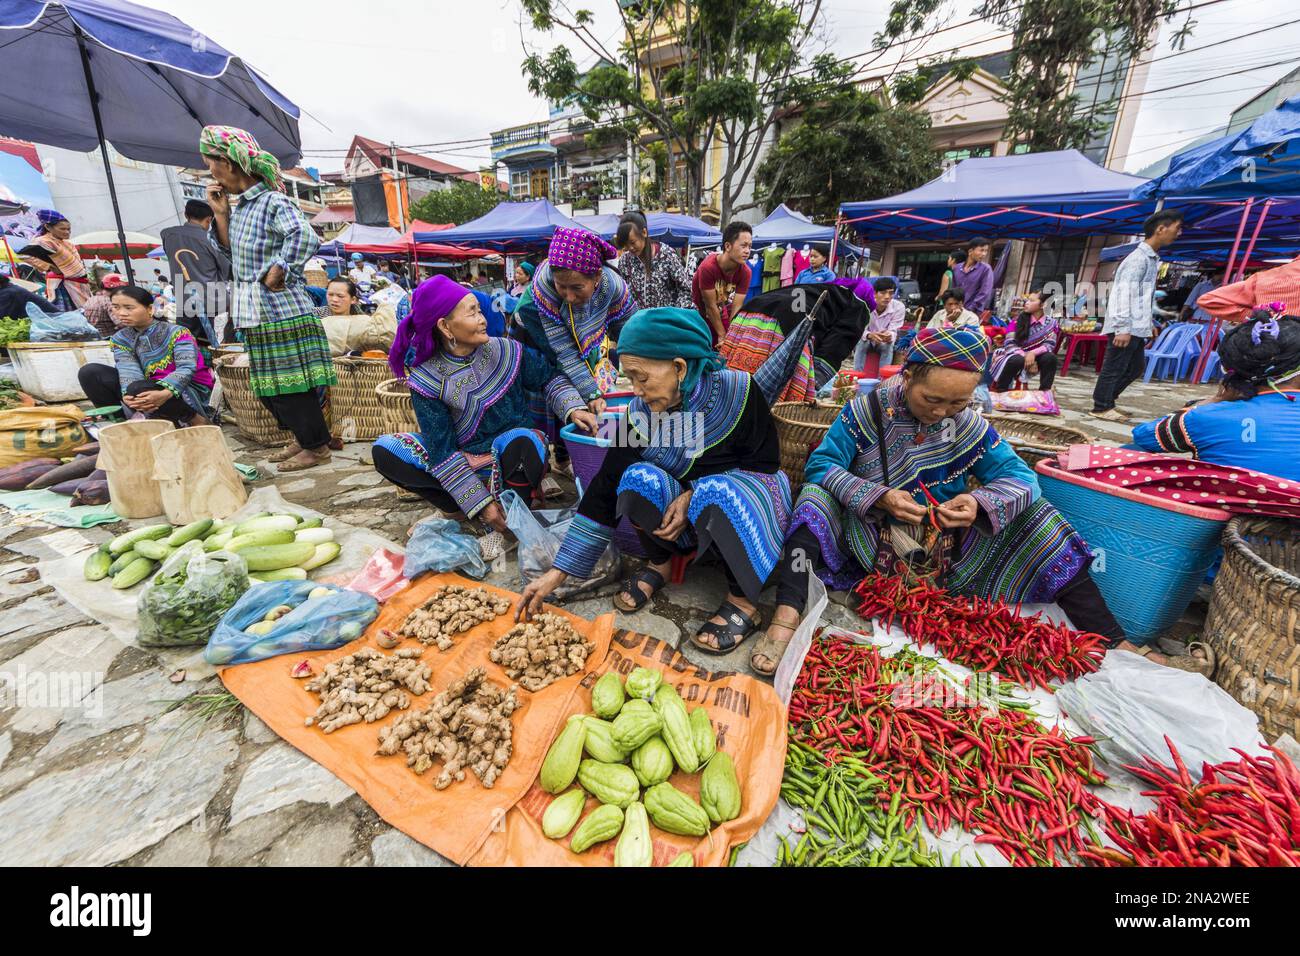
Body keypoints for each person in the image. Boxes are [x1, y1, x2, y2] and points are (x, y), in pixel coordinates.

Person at [750, 327, 1133, 675]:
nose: (940, 412)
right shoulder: (867, 412)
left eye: (956, 403)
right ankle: (786, 614)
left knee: (1038, 514)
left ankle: (1110, 635)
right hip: (871, 541)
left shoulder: (969, 425)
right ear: (907, 375)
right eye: (931, 399)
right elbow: (823, 464)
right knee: (814, 498)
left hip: (945, 551)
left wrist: (978, 504)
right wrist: (879, 497)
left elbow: (1021, 478)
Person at [515, 307, 792, 653]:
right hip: (685, 520)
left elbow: (764, 465)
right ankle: (660, 563)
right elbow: (604, 487)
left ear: (679, 367)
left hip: (742, 503)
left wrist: (693, 493)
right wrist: (558, 572)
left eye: (641, 378)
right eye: (629, 379)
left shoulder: (740, 391)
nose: (636, 390)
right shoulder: (640, 415)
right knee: (634, 478)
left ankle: (743, 602)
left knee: (717, 491)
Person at [374, 276, 594, 558]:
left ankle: (510, 525)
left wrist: (574, 408)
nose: (482, 319)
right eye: (473, 312)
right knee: (387, 450)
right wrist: (479, 504)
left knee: (521, 440)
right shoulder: (427, 379)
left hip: (515, 456)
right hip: (464, 460)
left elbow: (549, 378)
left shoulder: (506, 351)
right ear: (445, 326)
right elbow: (442, 451)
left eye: (479, 310)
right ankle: (457, 510)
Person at [201, 124, 336, 472]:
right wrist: (220, 214)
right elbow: (232, 254)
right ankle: (303, 438)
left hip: (280, 308)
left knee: (290, 386)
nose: (210, 172)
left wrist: (281, 267)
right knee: (269, 388)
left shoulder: (272, 200)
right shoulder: (241, 208)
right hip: (255, 310)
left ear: (228, 164)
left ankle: (316, 446)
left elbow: (304, 236)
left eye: (210, 163)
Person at [1131, 309, 1300, 481]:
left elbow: (1142, 437)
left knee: (1131, 449)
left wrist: (1213, 401)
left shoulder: (1204, 416)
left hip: (1219, 502)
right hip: (1289, 504)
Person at [1091, 209, 1185, 422]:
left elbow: (1143, 297)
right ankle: (1101, 406)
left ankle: (1108, 401)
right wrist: (1123, 327)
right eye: (1177, 228)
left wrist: (1148, 322)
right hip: (1125, 325)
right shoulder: (1138, 259)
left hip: (1136, 325)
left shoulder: (1151, 259)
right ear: (1161, 229)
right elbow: (1125, 294)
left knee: (1134, 368)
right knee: (1114, 368)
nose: (1179, 233)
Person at [531, 226, 637, 412]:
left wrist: (641, 374)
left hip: (587, 350)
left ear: (597, 275)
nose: (569, 297)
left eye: (577, 287)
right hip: (538, 337)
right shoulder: (545, 287)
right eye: (562, 286)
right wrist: (591, 393)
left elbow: (632, 334)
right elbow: (564, 350)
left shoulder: (614, 286)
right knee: (566, 399)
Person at [77, 285, 214, 425]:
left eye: (129, 308)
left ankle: (195, 418)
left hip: (184, 387)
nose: (121, 313)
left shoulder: (177, 332)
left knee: (139, 388)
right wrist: (127, 395)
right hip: (145, 389)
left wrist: (165, 393)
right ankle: (119, 422)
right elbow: (128, 370)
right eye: (116, 307)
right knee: (89, 373)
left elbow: (186, 367)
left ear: (150, 309)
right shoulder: (121, 338)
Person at [161, 198, 233, 348]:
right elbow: (228, 269)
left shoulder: (168, 235)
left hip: (184, 296)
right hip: (214, 298)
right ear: (209, 220)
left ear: (186, 215)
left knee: (189, 344)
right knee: (219, 345)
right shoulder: (209, 239)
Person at [615, 212, 693, 310]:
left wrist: (675, 314)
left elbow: (686, 289)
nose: (630, 248)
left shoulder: (666, 254)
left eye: (632, 242)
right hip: (639, 321)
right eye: (626, 244)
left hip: (667, 321)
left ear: (644, 232)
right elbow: (623, 295)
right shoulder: (625, 261)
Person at [692, 220, 753, 344]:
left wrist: (730, 334)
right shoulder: (708, 267)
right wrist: (722, 335)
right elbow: (709, 306)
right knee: (705, 346)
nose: (747, 251)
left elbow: (737, 306)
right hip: (697, 313)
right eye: (743, 245)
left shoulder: (746, 272)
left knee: (728, 345)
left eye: (750, 246)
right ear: (728, 246)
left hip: (720, 308)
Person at [19, 209, 90, 309]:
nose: (67, 232)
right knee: (68, 314)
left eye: (68, 229)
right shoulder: (44, 241)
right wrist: (50, 267)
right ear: (48, 227)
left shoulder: (66, 243)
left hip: (78, 283)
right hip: (62, 285)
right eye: (62, 229)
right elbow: (23, 255)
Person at [1195, 254, 1300, 322]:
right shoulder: (1202, 285)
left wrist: (1255, 316)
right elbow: (1206, 301)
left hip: (1269, 349)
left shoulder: (1264, 278)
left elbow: (1208, 300)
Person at [989, 290, 1059, 390]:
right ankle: (1001, 389)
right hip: (1014, 353)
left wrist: (1033, 353)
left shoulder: (1052, 323)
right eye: (1027, 300)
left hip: (1036, 355)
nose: (1027, 303)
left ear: (1043, 304)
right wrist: (1025, 355)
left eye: (1031, 300)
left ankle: (1044, 392)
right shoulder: (1016, 321)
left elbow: (1049, 344)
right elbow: (1009, 343)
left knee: (1051, 358)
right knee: (1017, 360)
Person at [853, 277, 906, 371]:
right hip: (867, 339)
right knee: (862, 343)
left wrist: (888, 336)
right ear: (874, 293)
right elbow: (858, 329)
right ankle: (857, 376)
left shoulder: (899, 307)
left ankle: (882, 379)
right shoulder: (864, 305)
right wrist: (869, 335)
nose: (887, 297)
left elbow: (893, 330)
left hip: (884, 341)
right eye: (883, 292)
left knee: (888, 346)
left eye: (891, 293)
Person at [948, 237, 993, 315]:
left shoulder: (986, 269)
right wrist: (953, 307)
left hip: (973, 313)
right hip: (955, 311)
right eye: (981, 250)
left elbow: (984, 293)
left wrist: (969, 309)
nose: (984, 254)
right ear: (970, 251)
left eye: (986, 251)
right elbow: (953, 290)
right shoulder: (957, 268)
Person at [79, 273, 126, 337]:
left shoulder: (93, 298)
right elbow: (121, 324)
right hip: (107, 337)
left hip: (92, 335)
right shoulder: (109, 301)